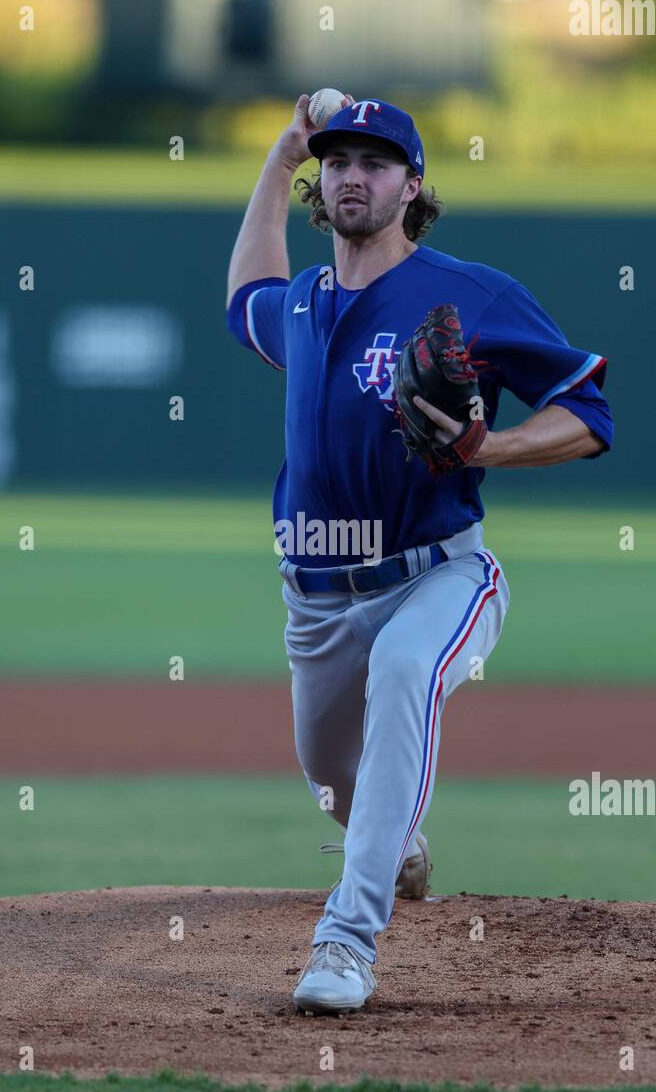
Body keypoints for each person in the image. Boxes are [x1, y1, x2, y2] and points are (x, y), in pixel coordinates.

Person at [225, 95, 613, 1015]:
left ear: (413, 183)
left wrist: (490, 449)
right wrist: (280, 157)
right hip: (318, 600)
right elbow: (244, 296)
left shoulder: (465, 293)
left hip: (438, 573)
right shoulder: (308, 306)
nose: (353, 175)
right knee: (332, 782)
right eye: (339, 160)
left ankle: (346, 942)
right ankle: (392, 844)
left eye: (376, 160)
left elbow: (588, 414)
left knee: (405, 668)